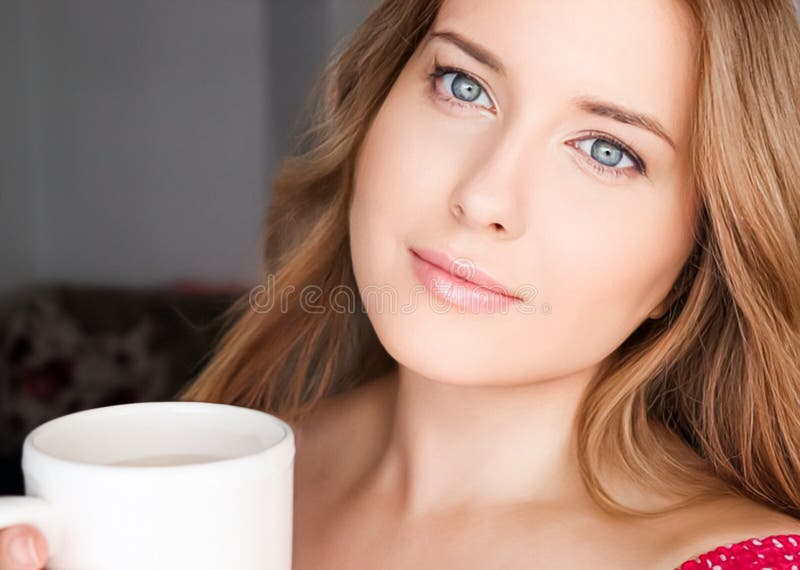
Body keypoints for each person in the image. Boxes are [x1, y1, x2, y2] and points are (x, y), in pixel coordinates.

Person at [4, 0, 800, 568]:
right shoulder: (207, 473)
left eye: (606, 151)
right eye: (464, 86)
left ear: (697, 254)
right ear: (377, 99)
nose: (484, 196)